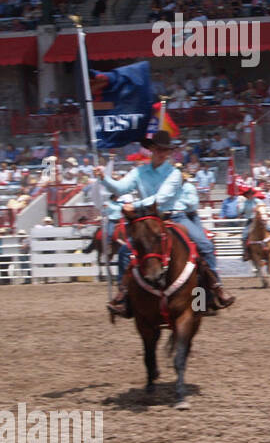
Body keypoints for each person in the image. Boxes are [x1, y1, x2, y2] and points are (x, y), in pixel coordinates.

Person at [95, 130, 236, 316]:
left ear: (169, 152)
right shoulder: (139, 172)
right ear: (151, 149)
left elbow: (161, 199)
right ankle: (124, 296)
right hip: (149, 219)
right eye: (159, 149)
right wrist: (104, 179)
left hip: (174, 216)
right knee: (124, 252)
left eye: (165, 150)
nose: (162, 153)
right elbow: (121, 188)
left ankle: (214, 290)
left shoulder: (175, 174)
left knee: (204, 246)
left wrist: (134, 205)